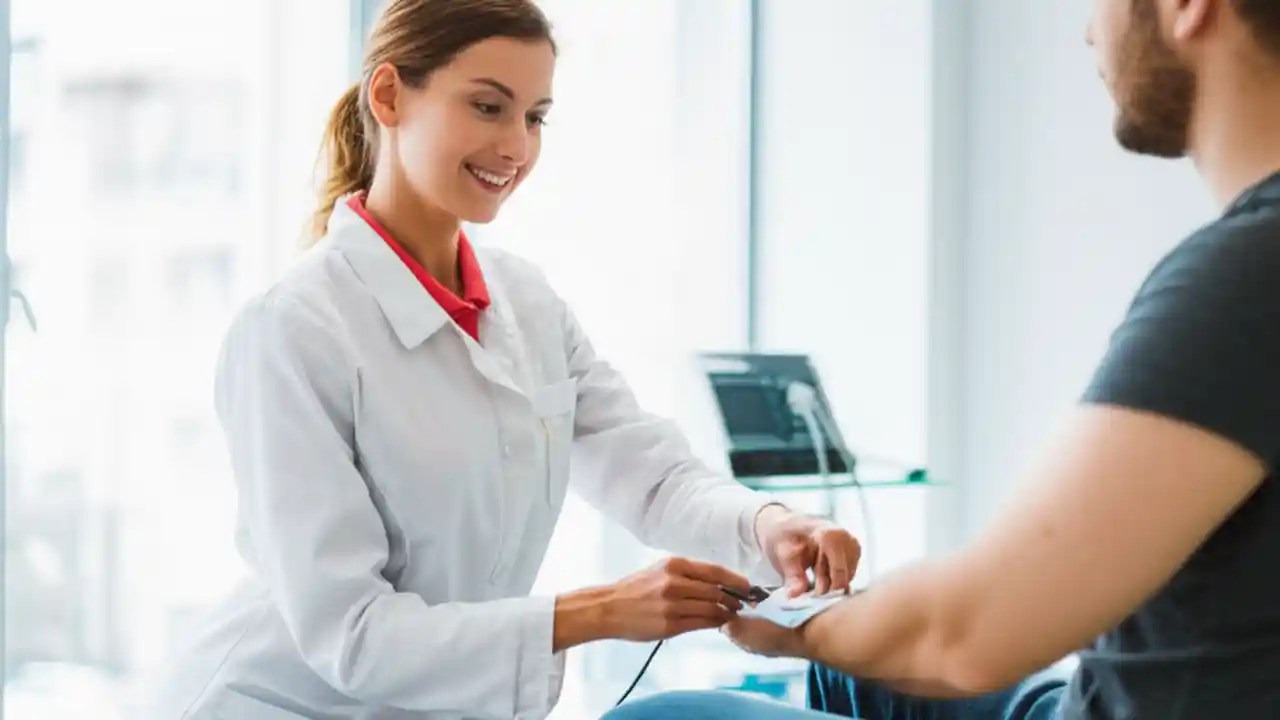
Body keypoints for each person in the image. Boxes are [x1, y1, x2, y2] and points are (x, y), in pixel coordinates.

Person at [146, 1, 862, 718]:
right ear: (389, 95)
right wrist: (603, 610)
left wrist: (768, 525)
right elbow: (353, 636)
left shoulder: (527, 303)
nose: (516, 147)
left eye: (535, 117)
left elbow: (649, 473)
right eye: (488, 106)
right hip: (280, 702)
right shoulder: (292, 330)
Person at [605, 0, 1280, 718]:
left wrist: (790, 629)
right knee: (856, 674)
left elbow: (964, 637)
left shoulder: (1246, 276)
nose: (1090, 29)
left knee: (665, 714)